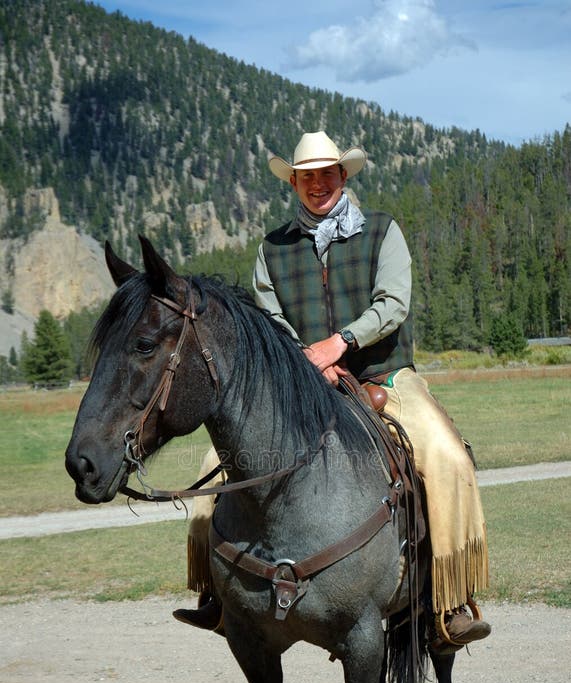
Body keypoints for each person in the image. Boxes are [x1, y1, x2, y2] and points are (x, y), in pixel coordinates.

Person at [176, 130, 491, 651]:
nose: (317, 184)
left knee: (446, 457)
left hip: (383, 376)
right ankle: (219, 596)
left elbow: (393, 304)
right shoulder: (272, 248)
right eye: (307, 177)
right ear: (293, 183)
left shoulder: (382, 232)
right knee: (216, 466)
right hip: (301, 383)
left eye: (327, 174)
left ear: (343, 176)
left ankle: (449, 600)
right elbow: (270, 319)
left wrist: (338, 344)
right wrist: (304, 359)